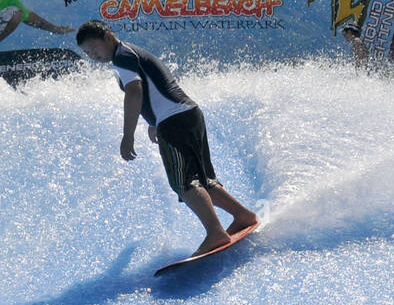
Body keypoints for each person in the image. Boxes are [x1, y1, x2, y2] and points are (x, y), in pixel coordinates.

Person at [75, 20, 257, 256]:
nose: (93, 55)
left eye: (94, 48)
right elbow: (156, 85)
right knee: (203, 179)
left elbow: (135, 91)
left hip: (174, 121)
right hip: (189, 114)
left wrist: (127, 135)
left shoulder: (122, 57)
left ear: (108, 36)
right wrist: (153, 122)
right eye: (88, 53)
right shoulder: (132, 52)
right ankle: (243, 215)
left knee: (184, 183)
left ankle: (215, 233)